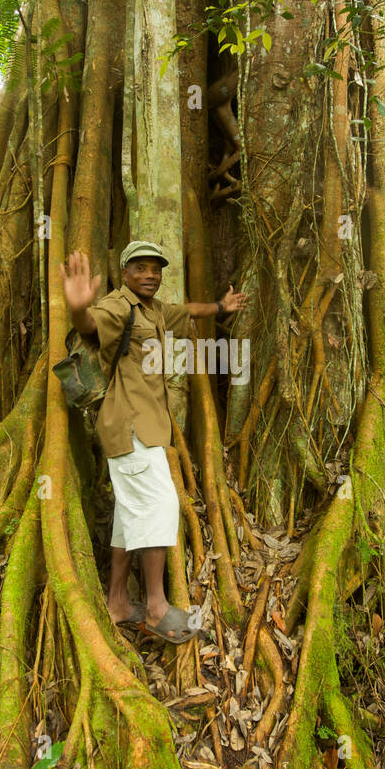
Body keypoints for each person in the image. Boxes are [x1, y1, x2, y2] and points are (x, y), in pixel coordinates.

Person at [58, 240, 248, 643]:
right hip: (129, 427)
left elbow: (186, 311)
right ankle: (158, 609)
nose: (149, 275)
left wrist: (220, 307)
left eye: (155, 269)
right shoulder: (117, 306)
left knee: (131, 517)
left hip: (146, 427)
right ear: (125, 272)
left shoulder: (156, 310)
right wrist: (77, 306)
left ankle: (117, 603)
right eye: (140, 268)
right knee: (161, 505)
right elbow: (88, 324)